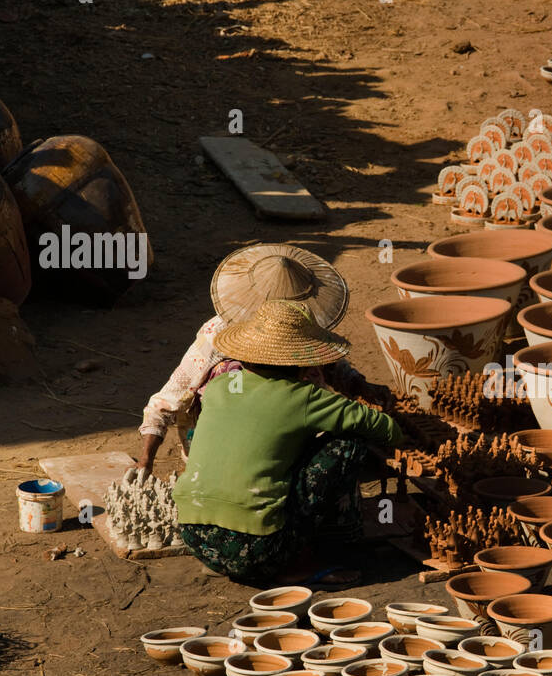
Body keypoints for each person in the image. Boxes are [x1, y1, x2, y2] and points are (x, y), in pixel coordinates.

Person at [172, 299, 404, 586]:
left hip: (195, 538)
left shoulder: (220, 386)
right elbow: (386, 429)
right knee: (348, 444)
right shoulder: (304, 396)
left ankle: (232, 564)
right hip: (259, 549)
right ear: (303, 363)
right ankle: (302, 565)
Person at [138, 243, 392, 476]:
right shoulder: (217, 333)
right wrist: (145, 461)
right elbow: (164, 402)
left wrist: (361, 386)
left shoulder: (304, 330)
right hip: (220, 441)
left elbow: (329, 361)